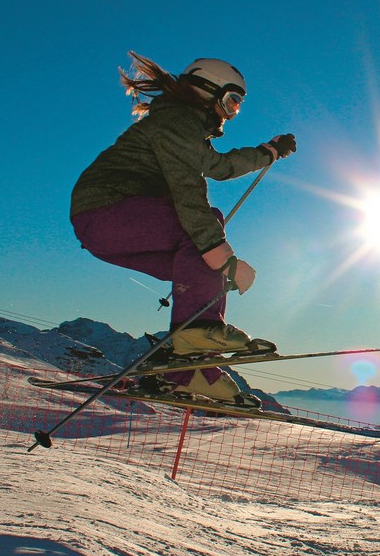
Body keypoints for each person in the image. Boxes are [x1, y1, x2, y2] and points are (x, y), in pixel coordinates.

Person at [70, 52, 296, 404]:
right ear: (209, 90)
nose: (232, 112)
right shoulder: (177, 121)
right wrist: (226, 258)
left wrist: (268, 152)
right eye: (232, 101)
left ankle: (189, 373)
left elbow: (219, 166)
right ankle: (197, 332)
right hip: (107, 210)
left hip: (110, 228)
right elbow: (188, 193)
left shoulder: (186, 129)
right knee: (207, 233)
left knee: (200, 269)